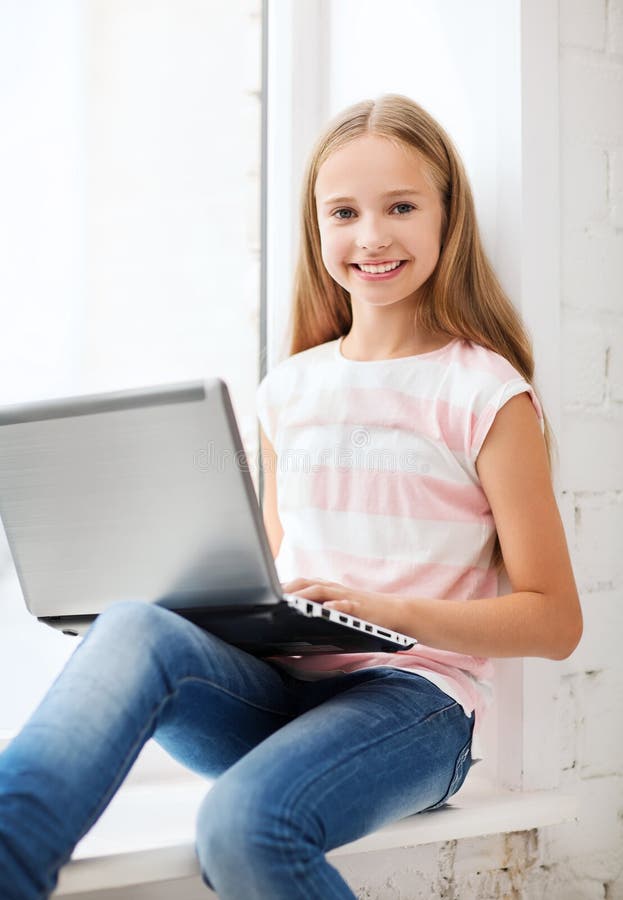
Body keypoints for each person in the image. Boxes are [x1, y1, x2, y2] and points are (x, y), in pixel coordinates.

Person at [0, 93, 583, 900]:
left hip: (414, 705)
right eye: (343, 212)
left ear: (448, 217)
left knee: (244, 825)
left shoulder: (485, 392)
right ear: (316, 228)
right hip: (282, 695)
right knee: (134, 623)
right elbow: (275, 566)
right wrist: (225, 609)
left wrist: (387, 612)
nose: (370, 235)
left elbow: (554, 621)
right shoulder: (288, 389)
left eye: (401, 207)